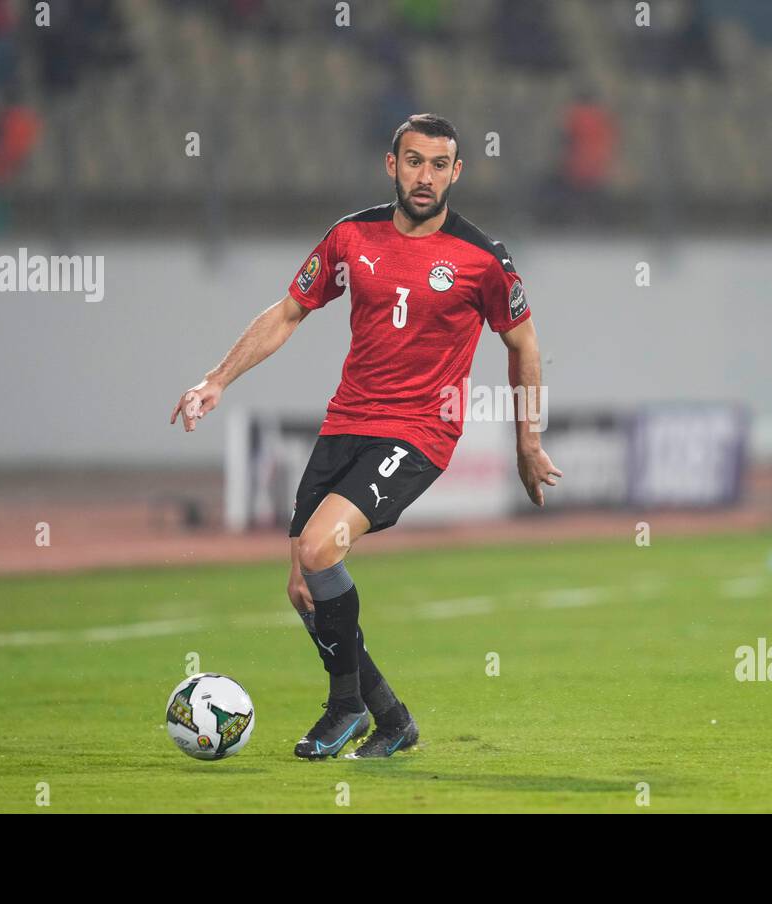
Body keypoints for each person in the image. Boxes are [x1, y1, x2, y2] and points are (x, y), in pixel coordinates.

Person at [170, 113, 561, 758]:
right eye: (414, 162)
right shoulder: (352, 236)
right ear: (392, 164)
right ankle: (393, 720)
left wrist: (528, 440)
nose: (425, 176)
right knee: (304, 587)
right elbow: (289, 310)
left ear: (456, 172)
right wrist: (218, 379)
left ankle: (344, 707)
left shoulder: (483, 259)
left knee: (321, 549)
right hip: (346, 423)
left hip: (419, 432)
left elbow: (523, 344)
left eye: (439, 165)